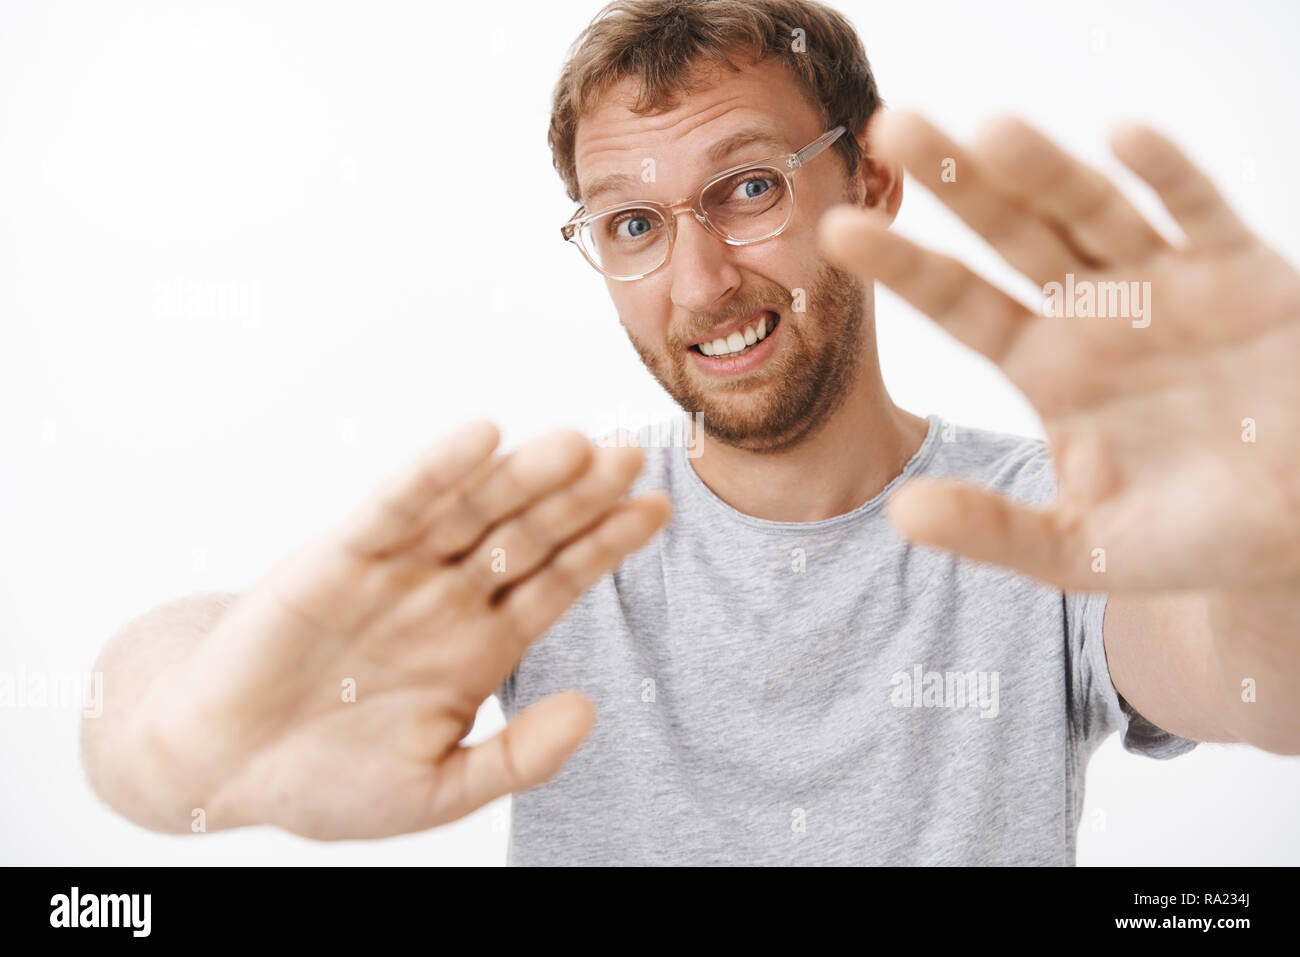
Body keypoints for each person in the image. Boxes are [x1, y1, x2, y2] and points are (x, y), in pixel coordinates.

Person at [81, 0, 1300, 864]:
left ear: (868, 182)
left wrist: (1275, 550)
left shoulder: (1051, 520)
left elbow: (1262, 688)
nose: (700, 279)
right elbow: (147, 710)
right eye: (631, 224)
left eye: (749, 187)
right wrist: (184, 743)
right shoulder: (557, 542)